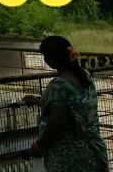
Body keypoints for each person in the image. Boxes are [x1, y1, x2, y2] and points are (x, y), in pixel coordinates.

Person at [22, 36, 109, 170]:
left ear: (50, 60)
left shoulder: (58, 86)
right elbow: (75, 106)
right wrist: (41, 102)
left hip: (70, 157)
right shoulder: (85, 76)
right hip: (95, 151)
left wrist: (38, 146)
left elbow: (58, 123)